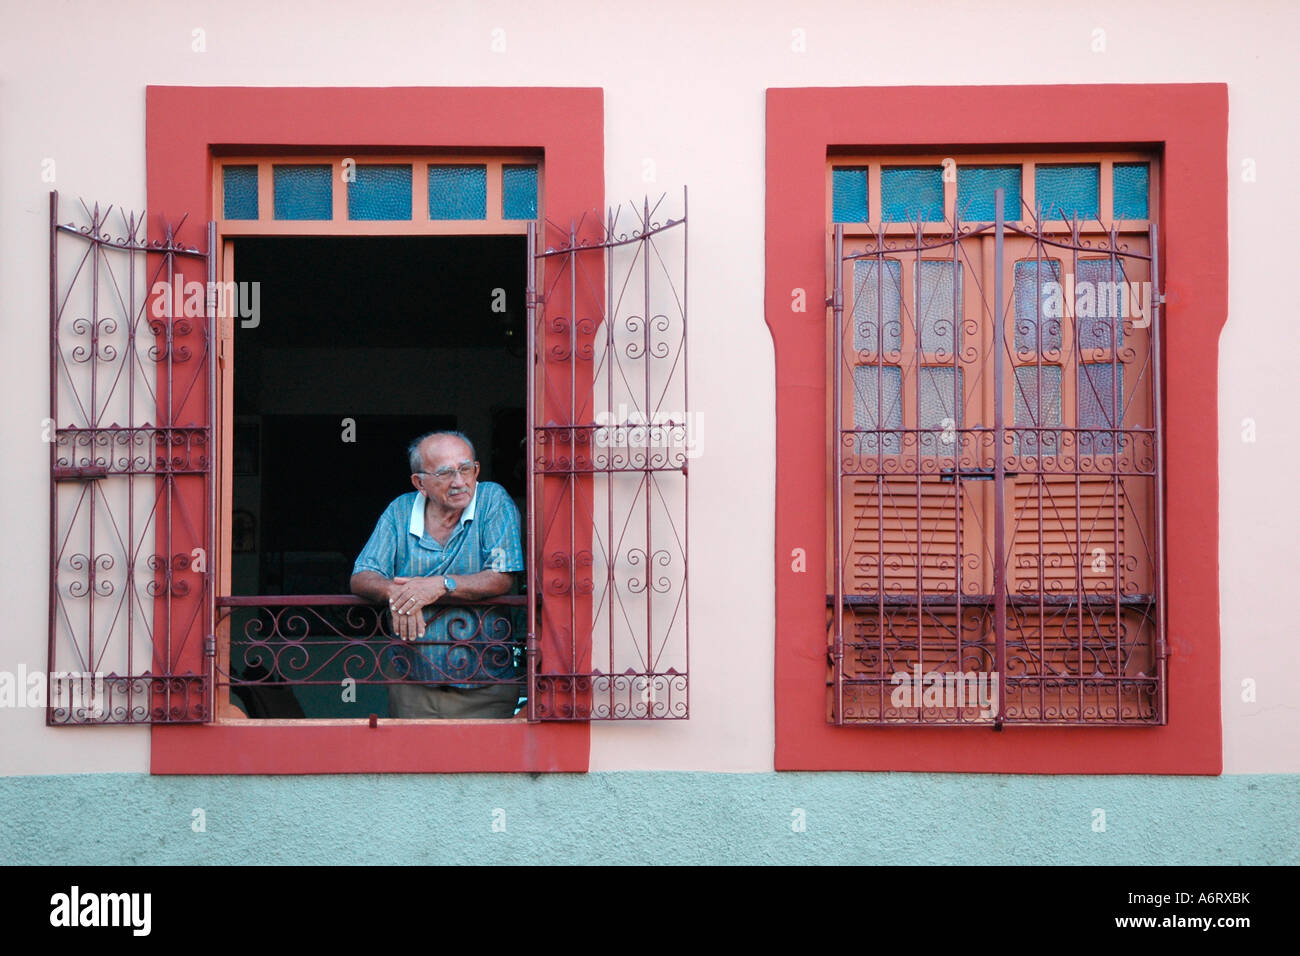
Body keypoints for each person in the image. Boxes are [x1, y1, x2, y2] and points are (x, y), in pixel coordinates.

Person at [350, 431, 525, 718]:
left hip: (486, 683)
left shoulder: (492, 501)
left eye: (466, 469)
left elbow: (502, 576)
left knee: (484, 764)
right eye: (445, 473)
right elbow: (362, 575)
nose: (459, 482)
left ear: (476, 470)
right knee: (415, 763)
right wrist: (399, 595)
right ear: (420, 483)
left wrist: (440, 586)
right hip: (412, 682)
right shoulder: (400, 511)